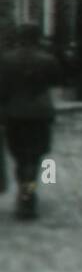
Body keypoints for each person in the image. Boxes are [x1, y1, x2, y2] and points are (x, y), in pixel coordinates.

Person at [0, 25, 62, 220]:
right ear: (38, 38)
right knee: (34, 158)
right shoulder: (48, 60)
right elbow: (56, 82)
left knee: (20, 157)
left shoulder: (7, 59)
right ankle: (27, 197)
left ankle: (24, 193)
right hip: (39, 114)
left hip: (15, 114)